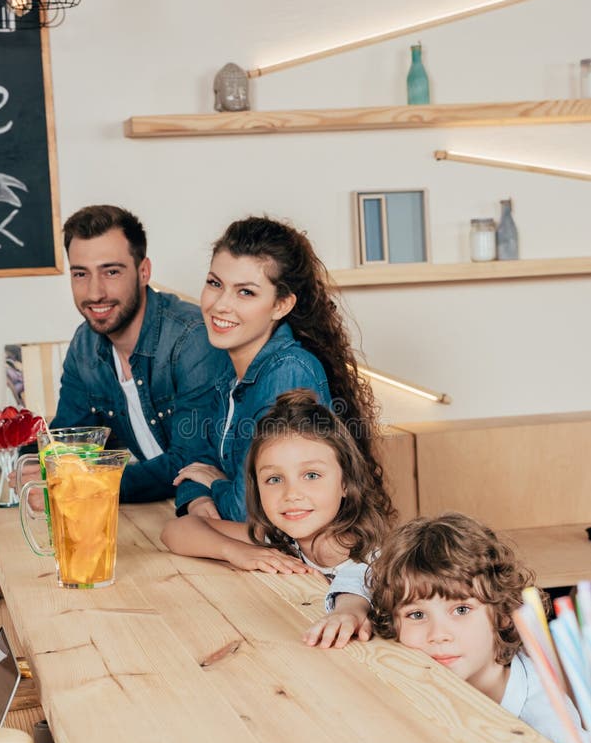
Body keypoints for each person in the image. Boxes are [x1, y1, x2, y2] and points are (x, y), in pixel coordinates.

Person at [172, 215, 383, 521]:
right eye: (215, 284)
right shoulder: (225, 362)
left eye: (245, 292)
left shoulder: (287, 374)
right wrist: (197, 500)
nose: (220, 305)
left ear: (281, 305)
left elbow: (253, 510)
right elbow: (193, 462)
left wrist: (213, 484)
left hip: (301, 561)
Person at [162, 391, 395, 640]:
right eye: (274, 479)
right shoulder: (280, 541)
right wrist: (238, 552)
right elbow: (177, 531)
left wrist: (348, 609)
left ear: (346, 482)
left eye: (311, 475)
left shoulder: (380, 555)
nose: (291, 494)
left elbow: (359, 584)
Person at [367, 512, 590, 743]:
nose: (438, 634)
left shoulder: (547, 729)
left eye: (461, 610)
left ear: (503, 614)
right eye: (417, 615)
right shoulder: (422, 670)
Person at [49, 204, 227, 502]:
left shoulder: (191, 338)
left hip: (208, 508)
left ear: (144, 271)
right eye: (80, 274)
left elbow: (192, 461)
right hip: (154, 509)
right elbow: (68, 446)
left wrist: (88, 484)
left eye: (111, 271)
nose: (95, 292)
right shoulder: (85, 345)